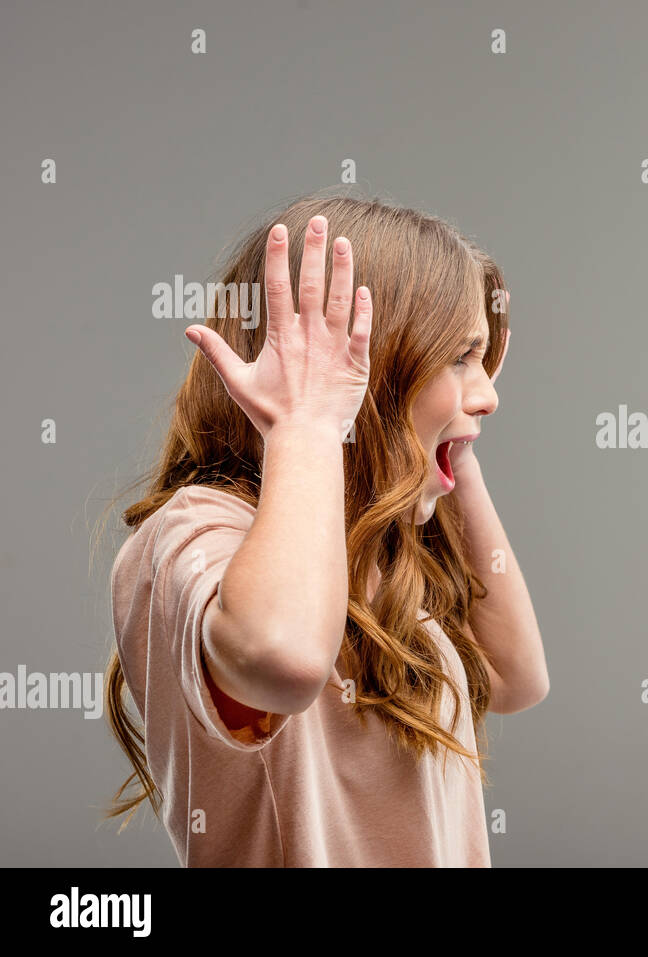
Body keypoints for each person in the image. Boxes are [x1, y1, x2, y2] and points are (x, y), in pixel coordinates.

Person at [103, 193, 548, 866]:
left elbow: (517, 678)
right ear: (371, 373)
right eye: (458, 357)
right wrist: (310, 421)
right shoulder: (194, 533)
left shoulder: (372, 551)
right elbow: (282, 659)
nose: (489, 393)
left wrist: (455, 438)